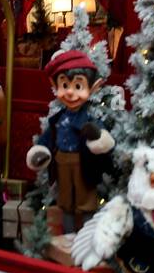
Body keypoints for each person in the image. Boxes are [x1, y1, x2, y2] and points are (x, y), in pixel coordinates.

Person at [25, 50, 117, 231]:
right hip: (61, 163)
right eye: (64, 85)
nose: (70, 93)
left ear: (92, 88)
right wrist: (40, 152)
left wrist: (98, 138)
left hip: (83, 164)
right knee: (65, 202)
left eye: (78, 86)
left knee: (86, 201)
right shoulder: (57, 119)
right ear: (55, 85)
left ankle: (87, 236)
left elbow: (104, 140)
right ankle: (68, 235)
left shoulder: (89, 120)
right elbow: (46, 139)